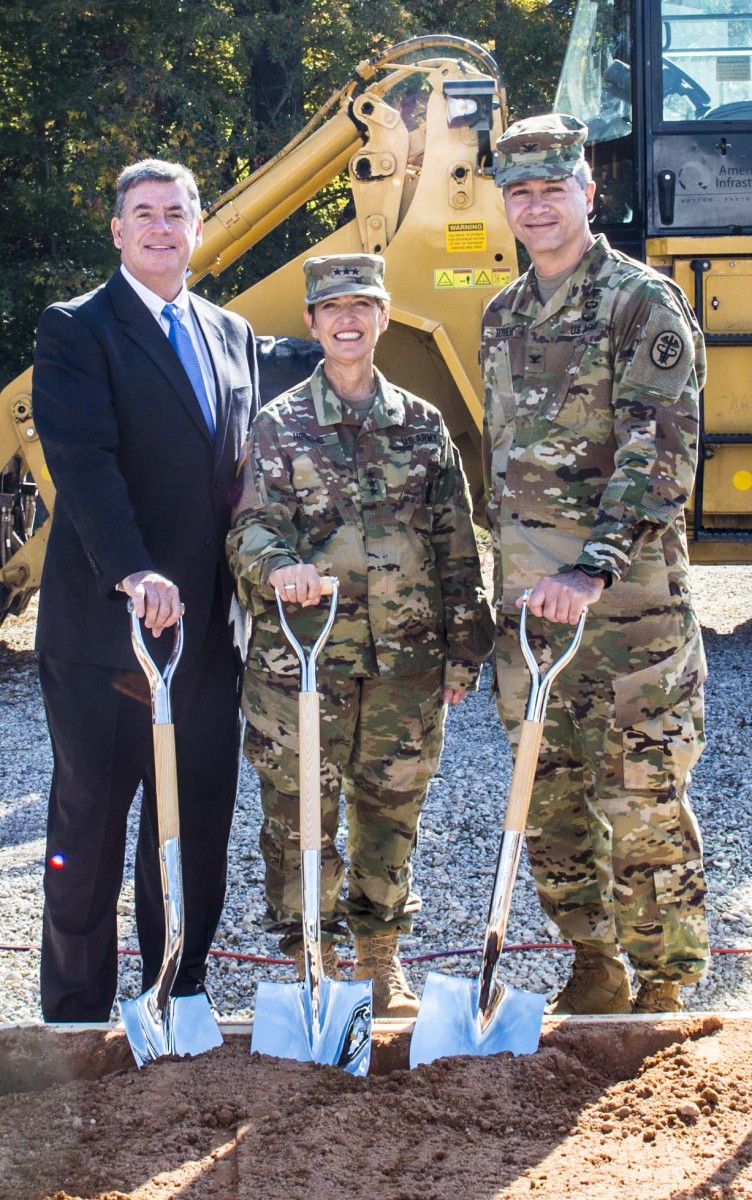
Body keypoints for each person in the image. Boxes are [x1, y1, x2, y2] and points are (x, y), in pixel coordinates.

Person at [481, 114, 709, 1015]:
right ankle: (594, 963)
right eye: (519, 192)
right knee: (552, 804)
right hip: (535, 622)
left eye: (552, 188)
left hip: (627, 615)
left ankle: (667, 980)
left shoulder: (639, 302)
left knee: (643, 798)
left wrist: (594, 569)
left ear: (588, 192)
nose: (536, 207)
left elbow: (659, 453)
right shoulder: (503, 316)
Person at [227, 253, 494, 1017]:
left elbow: (455, 544)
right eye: (332, 308)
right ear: (310, 323)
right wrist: (279, 568)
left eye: (363, 305)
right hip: (300, 665)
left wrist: (463, 650)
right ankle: (312, 956)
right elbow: (249, 530)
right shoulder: (278, 427)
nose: (347, 319)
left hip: (406, 664)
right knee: (297, 811)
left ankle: (380, 963)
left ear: (382, 319)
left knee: (391, 810)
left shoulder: (422, 425)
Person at [33, 158, 259, 1022]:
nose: (162, 228)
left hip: (203, 638)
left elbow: (238, 479)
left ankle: (177, 991)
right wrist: (131, 567)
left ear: (199, 229)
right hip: (105, 635)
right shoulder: (77, 330)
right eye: (144, 214)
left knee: (194, 821)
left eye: (177, 213)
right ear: (119, 232)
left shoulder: (229, 333)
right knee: (89, 825)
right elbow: (82, 463)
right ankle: (78, 1013)